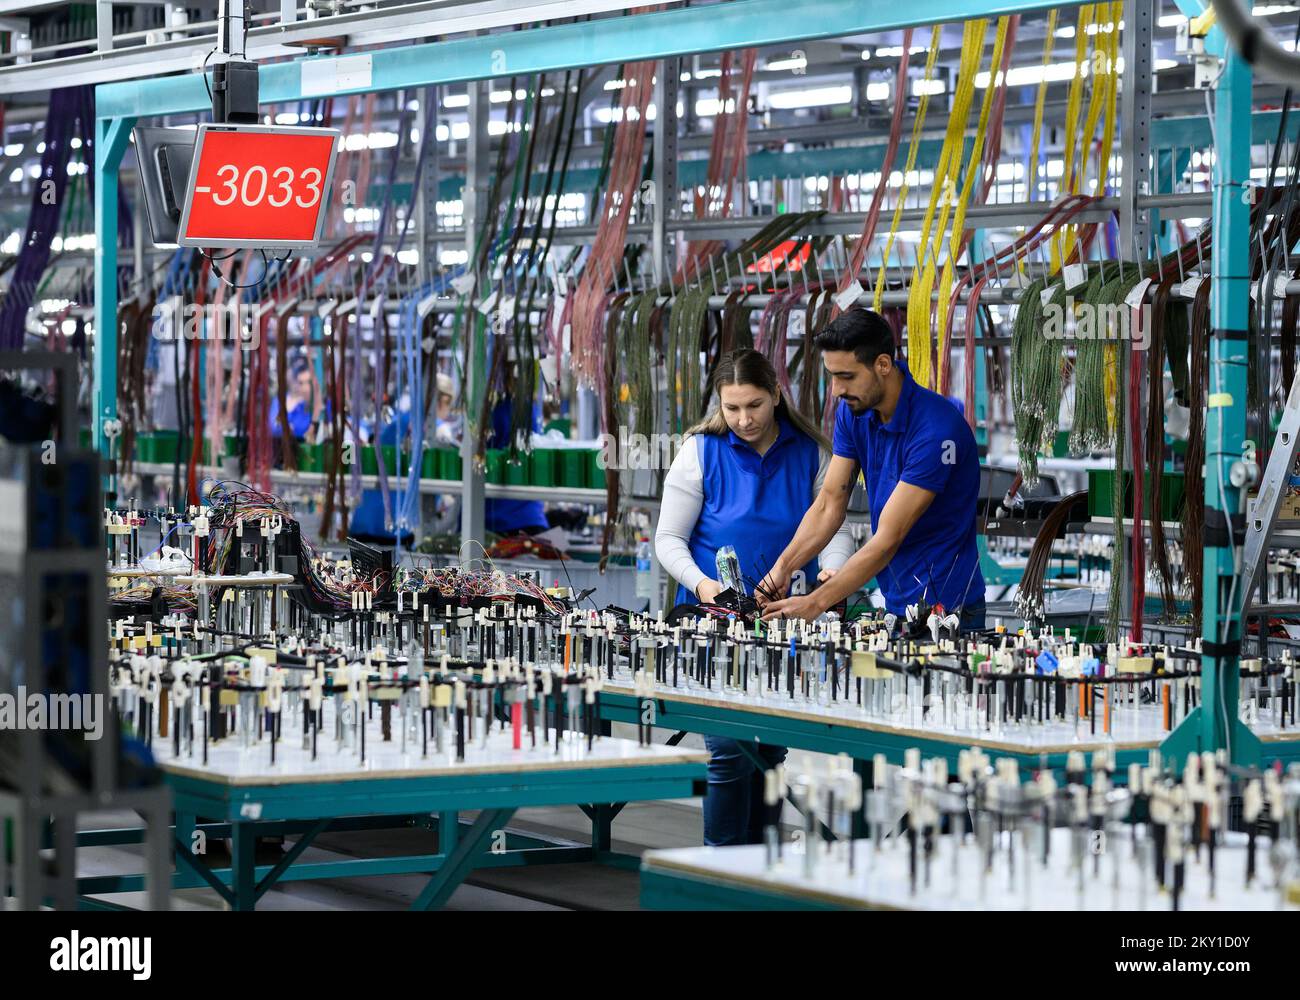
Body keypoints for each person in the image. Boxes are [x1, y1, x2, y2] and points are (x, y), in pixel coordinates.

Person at [655, 348, 853, 847]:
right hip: (712, 625)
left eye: (755, 406)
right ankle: (721, 869)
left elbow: (836, 529)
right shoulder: (699, 452)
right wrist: (705, 587)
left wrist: (832, 570)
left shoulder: (812, 451)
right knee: (727, 747)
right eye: (732, 407)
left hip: (784, 623)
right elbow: (668, 540)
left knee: (768, 751)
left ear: (776, 396)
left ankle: (761, 869)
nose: (743, 419)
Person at [758, 307, 985, 629]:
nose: (836, 390)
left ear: (882, 365)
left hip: (947, 610)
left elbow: (888, 539)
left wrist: (815, 602)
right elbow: (828, 506)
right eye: (832, 376)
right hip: (895, 600)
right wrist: (780, 570)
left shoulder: (936, 429)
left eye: (846, 376)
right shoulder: (854, 413)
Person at [269, 360, 318, 441]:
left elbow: (306, 430)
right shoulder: (279, 401)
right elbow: (273, 427)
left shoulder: (312, 406)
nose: (305, 388)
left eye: (308, 383)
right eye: (301, 383)